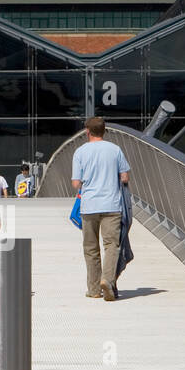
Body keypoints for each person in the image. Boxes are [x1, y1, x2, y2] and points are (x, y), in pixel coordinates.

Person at [72, 117, 130, 301]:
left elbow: (75, 183)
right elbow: (125, 177)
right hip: (112, 205)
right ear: (104, 131)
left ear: (87, 131)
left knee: (90, 248)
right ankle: (108, 279)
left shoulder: (80, 152)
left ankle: (94, 289)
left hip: (89, 206)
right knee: (111, 245)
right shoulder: (115, 150)